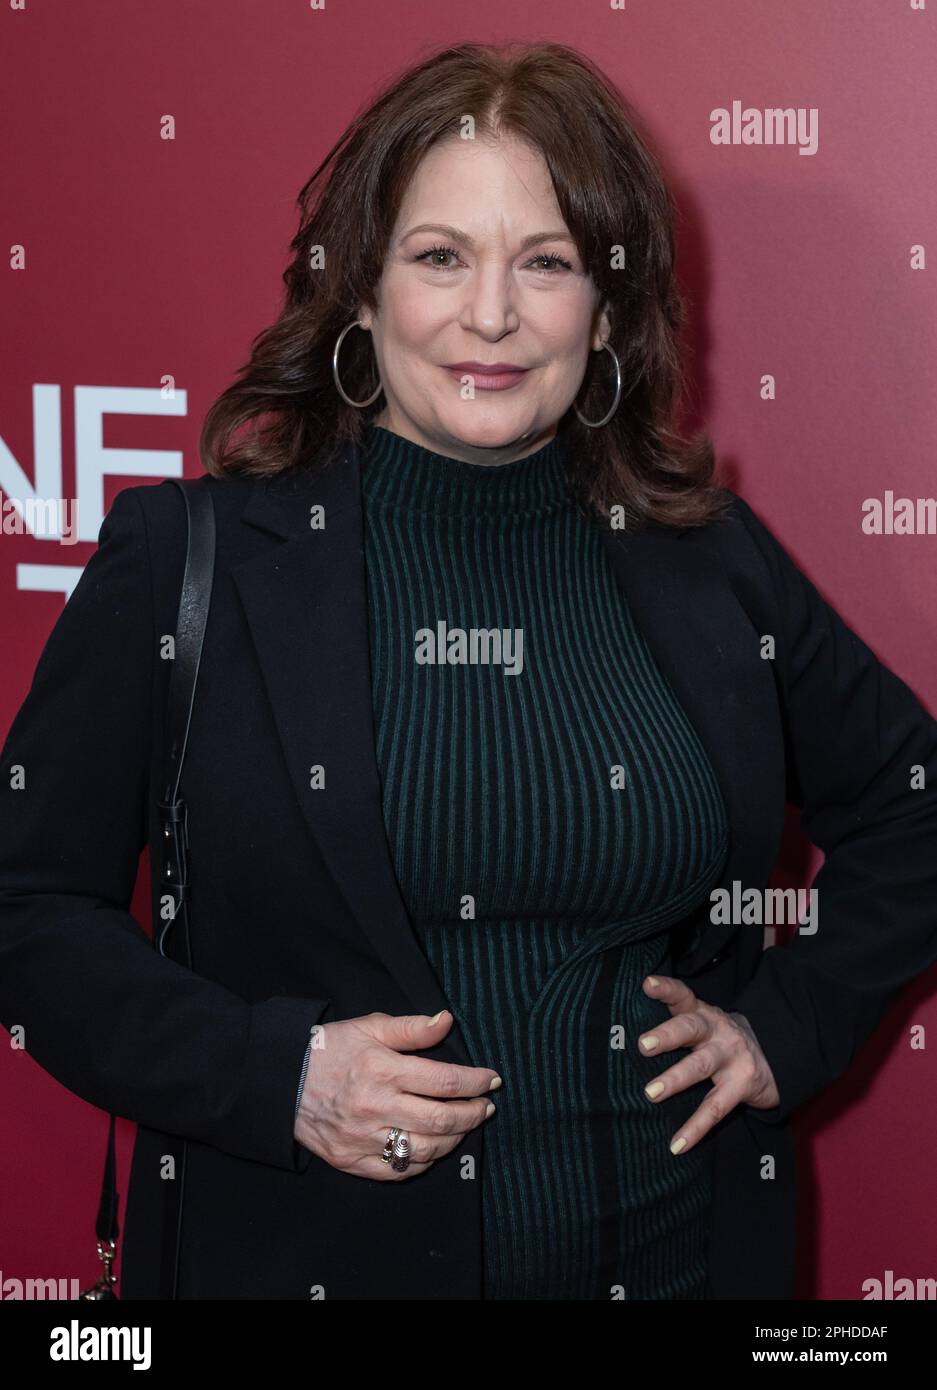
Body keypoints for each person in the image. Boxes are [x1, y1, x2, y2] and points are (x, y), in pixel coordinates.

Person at [1, 40, 936, 1301]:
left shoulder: (704, 558)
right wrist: (273, 1074)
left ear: (606, 307)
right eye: (440, 257)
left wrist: (789, 1022)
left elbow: (911, 804)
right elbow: (25, 908)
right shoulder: (187, 557)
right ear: (362, 290)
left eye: (545, 263)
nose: (489, 315)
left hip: (676, 1262)